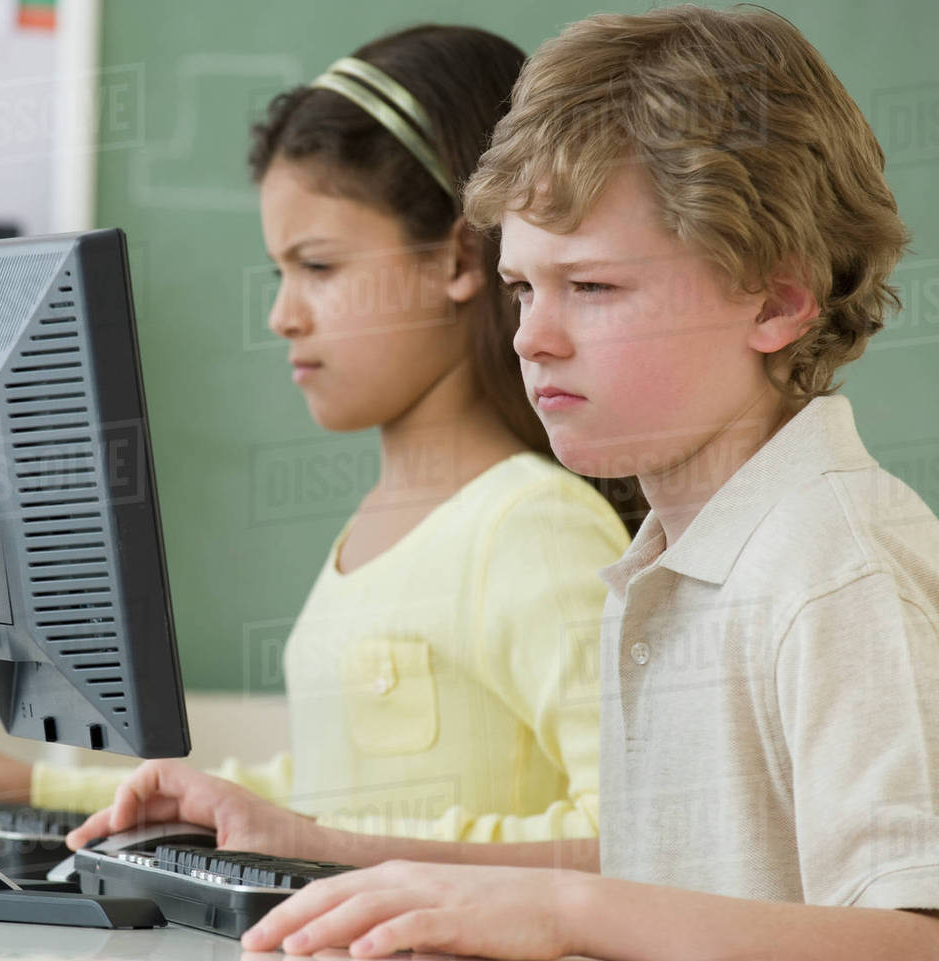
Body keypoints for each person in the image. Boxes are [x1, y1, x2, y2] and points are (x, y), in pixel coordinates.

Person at [226, 6, 939, 958]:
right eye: (523, 287)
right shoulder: (665, 567)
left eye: (592, 287)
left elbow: (916, 937)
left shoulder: (836, 571)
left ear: (776, 299)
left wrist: (568, 909)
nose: (532, 336)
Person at [0, 25, 642, 857]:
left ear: (455, 259)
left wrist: (321, 843)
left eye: (319, 267)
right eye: (279, 272)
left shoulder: (533, 526)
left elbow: (629, 843)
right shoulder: (383, 525)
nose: (281, 314)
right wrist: (38, 786)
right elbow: (330, 796)